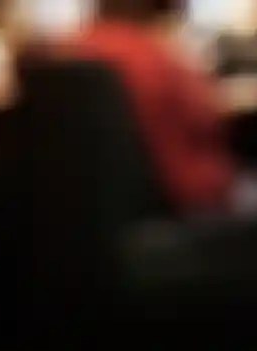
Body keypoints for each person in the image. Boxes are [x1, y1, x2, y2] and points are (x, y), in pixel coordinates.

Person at [64, 0, 237, 214]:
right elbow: (207, 120)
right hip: (174, 195)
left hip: (91, 208)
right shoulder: (155, 56)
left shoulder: (71, 48)